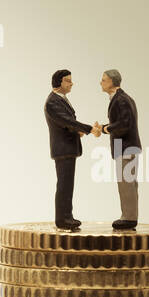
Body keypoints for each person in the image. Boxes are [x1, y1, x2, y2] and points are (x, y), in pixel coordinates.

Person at [92, 69, 142, 230]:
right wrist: (106, 128)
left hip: (126, 146)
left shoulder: (121, 100)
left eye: (104, 80)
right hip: (125, 146)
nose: (101, 82)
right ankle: (128, 215)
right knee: (127, 183)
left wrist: (105, 129)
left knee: (126, 183)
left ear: (112, 82)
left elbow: (124, 125)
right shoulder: (120, 99)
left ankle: (129, 218)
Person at [44, 69, 93, 231]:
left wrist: (78, 130)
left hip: (68, 147)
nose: (71, 83)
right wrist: (89, 129)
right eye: (67, 80)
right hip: (63, 148)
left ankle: (67, 216)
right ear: (58, 82)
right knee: (64, 184)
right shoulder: (52, 102)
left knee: (67, 184)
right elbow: (66, 121)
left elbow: (68, 123)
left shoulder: (61, 99)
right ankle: (63, 219)